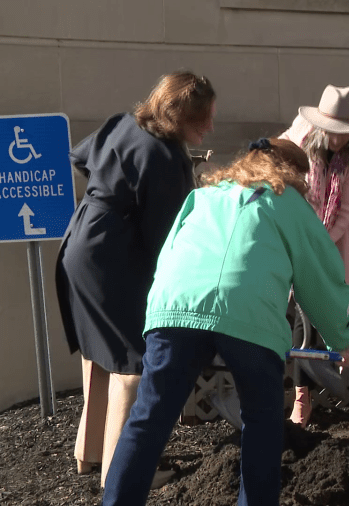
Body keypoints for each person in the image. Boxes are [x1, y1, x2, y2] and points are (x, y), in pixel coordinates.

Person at [100, 138, 349, 506]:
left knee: (148, 418)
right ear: (293, 174)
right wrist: (341, 340)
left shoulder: (204, 197)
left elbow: (171, 252)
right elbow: (320, 278)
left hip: (174, 308)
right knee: (262, 422)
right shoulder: (287, 201)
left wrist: (162, 315)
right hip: (248, 314)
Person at [55, 71, 216, 485]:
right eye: (203, 119)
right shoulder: (166, 158)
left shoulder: (122, 123)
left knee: (98, 354)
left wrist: (114, 187)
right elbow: (167, 237)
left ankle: (87, 453)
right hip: (112, 257)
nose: (210, 126)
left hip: (79, 242)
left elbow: (78, 157)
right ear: (181, 116)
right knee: (134, 363)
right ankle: (121, 471)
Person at [279, 84, 349, 439]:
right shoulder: (301, 135)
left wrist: (314, 251)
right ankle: (301, 402)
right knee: (303, 322)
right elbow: (275, 159)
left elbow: (346, 212)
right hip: (305, 234)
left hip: (343, 241)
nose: (338, 141)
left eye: (345, 134)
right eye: (332, 133)